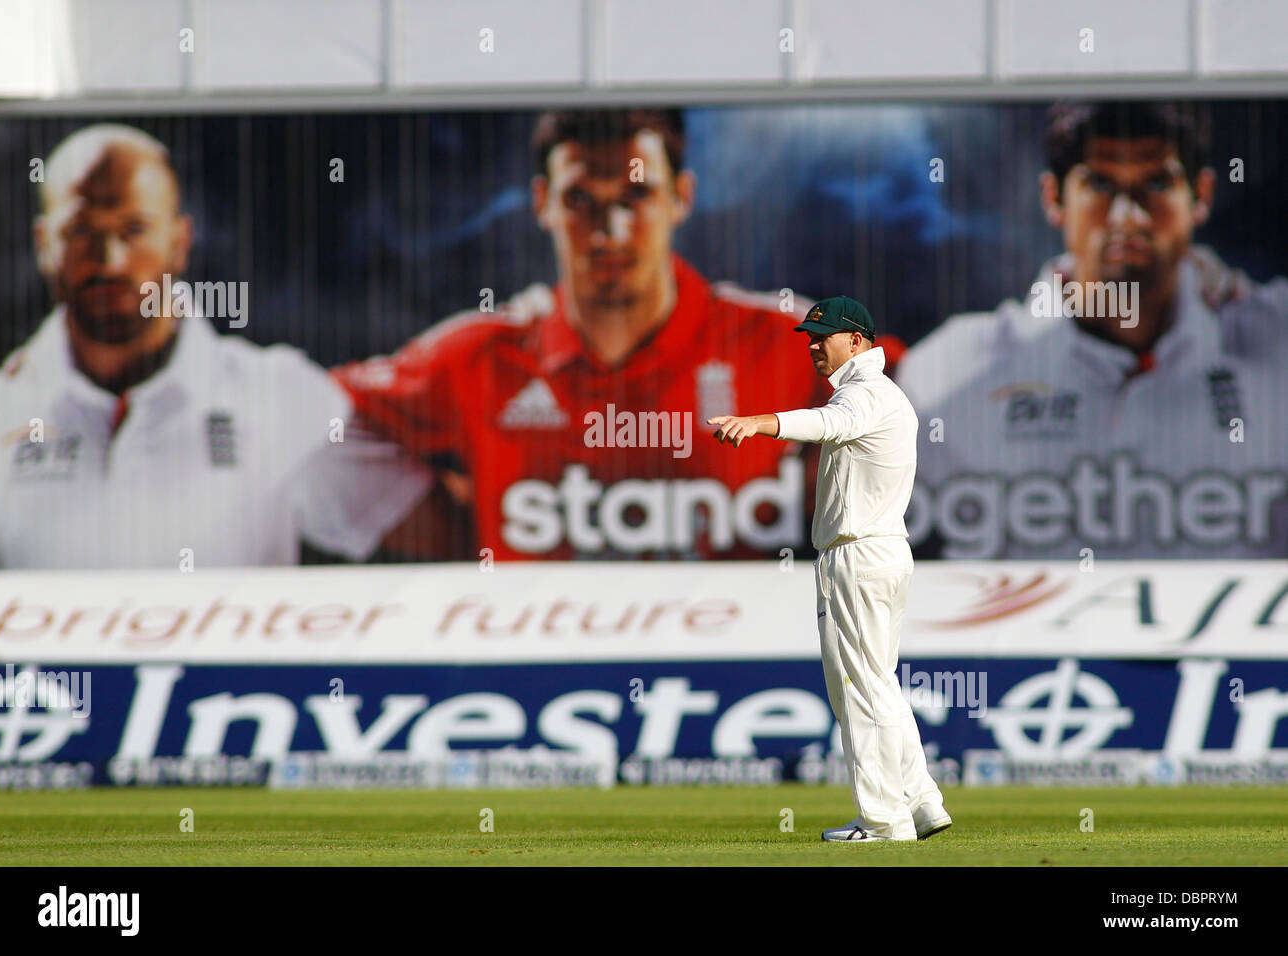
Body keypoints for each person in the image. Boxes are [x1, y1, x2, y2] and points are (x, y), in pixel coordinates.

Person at [335, 108, 830, 561]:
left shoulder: (786, 341)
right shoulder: (480, 357)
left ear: (682, 197)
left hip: (727, 655)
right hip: (533, 653)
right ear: (542, 203)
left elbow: (896, 408)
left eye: (636, 196)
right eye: (580, 200)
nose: (608, 232)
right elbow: (317, 415)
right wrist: (455, 530)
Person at [0, 123, 426, 569]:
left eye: (134, 229)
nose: (111, 260)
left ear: (179, 242)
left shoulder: (280, 396)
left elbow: (468, 530)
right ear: (44, 243)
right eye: (81, 231)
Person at [896, 101, 1288, 560]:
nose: (1129, 216)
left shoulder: (1274, 340)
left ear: (1201, 195)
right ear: (1054, 199)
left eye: (1157, 183)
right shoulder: (950, 370)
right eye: (1100, 183)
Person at [709, 296, 949, 843]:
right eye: (810, 336)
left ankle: (883, 820)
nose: (814, 345)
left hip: (859, 554)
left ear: (858, 342)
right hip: (873, 552)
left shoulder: (867, 394)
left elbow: (825, 424)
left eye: (825, 336)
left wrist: (758, 422)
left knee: (862, 688)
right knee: (873, 685)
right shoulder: (874, 393)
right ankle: (919, 802)